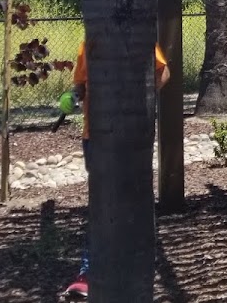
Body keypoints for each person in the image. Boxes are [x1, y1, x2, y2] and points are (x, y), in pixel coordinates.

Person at [64, 41, 169, 299]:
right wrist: (74, 98)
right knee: (103, 206)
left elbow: (163, 73)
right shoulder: (87, 45)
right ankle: (89, 274)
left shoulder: (138, 38)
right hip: (96, 139)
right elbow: (80, 86)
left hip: (129, 138)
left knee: (126, 204)